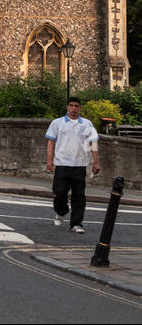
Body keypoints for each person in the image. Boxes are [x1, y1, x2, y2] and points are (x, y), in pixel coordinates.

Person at [45, 96, 100, 233]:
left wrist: (96, 162)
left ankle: (76, 224)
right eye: (71, 105)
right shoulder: (57, 123)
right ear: (67, 107)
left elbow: (93, 142)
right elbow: (51, 142)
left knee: (79, 196)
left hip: (80, 165)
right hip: (62, 163)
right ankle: (61, 211)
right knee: (59, 192)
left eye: (76, 106)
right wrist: (49, 160)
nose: (74, 108)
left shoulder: (87, 124)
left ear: (80, 108)